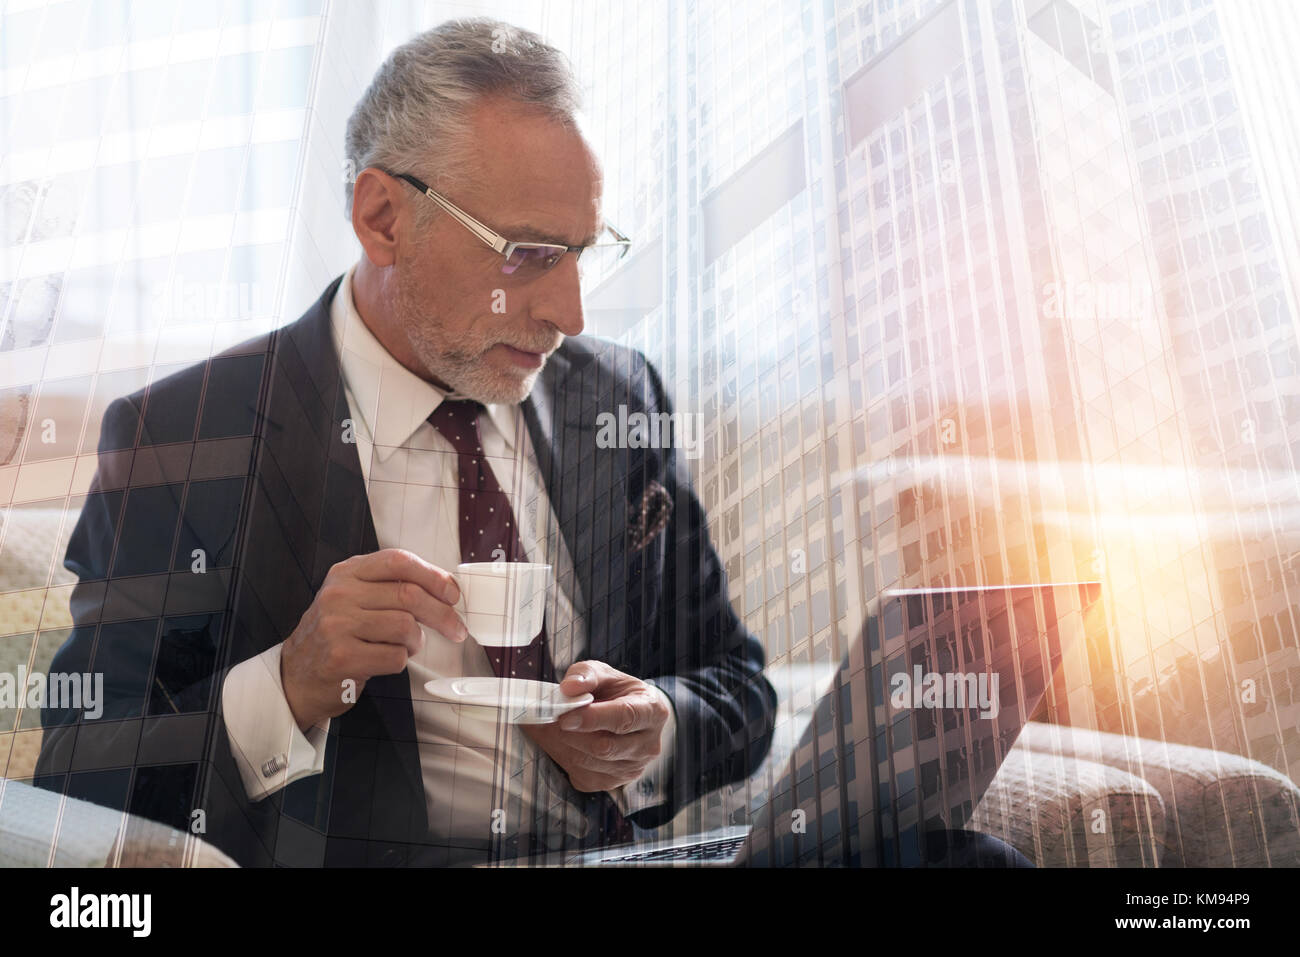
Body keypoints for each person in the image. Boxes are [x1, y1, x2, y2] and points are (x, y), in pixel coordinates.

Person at [34, 17, 777, 867]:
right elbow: (80, 775)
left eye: (582, 253)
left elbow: (740, 683)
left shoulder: (617, 395)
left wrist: (660, 727)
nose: (569, 314)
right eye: (528, 254)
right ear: (383, 217)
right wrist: (290, 684)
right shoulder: (182, 432)